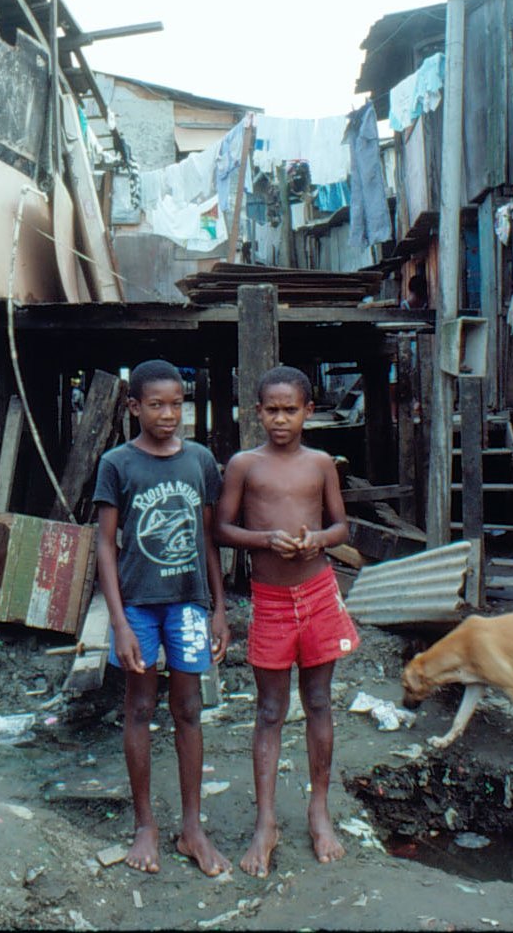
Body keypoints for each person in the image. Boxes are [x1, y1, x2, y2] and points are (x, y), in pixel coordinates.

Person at [215, 365, 360, 878]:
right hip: (271, 599)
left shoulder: (321, 464)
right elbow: (222, 528)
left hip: (318, 592)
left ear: (308, 412)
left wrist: (317, 540)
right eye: (271, 410)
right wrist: (266, 540)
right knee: (270, 710)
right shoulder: (243, 465)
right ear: (257, 412)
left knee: (319, 701)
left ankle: (319, 811)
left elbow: (341, 525)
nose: (281, 419)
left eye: (290, 410)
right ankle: (266, 822)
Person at [93, 359, 231, 878]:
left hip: (189, 603)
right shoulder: (117, 464)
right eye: (156, 404)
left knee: (189, 708)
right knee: (139, 706)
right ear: (134, 407)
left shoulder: (199, 461)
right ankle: (145, 825)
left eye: (177, 403)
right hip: (139, 606)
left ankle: (192, 827)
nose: (169, 414)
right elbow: (105, 546)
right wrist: (119, 622)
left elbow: (209, 541)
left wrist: (219, 608)